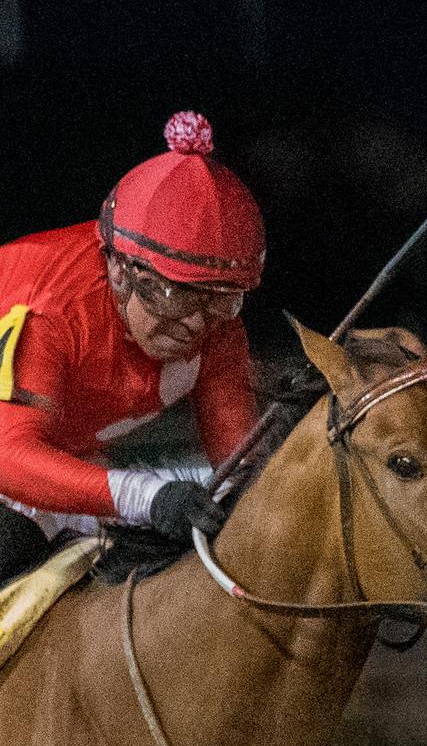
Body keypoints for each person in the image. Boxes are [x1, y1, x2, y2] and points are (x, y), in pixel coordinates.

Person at [0, 112, 265, 584]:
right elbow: (9, 457)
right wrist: (145, 495)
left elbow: (242, 469)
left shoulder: (220, 331)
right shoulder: (52, 310)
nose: (192, 322)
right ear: (118, 269)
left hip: (54, 467)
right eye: (170, 294)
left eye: (220, 301)